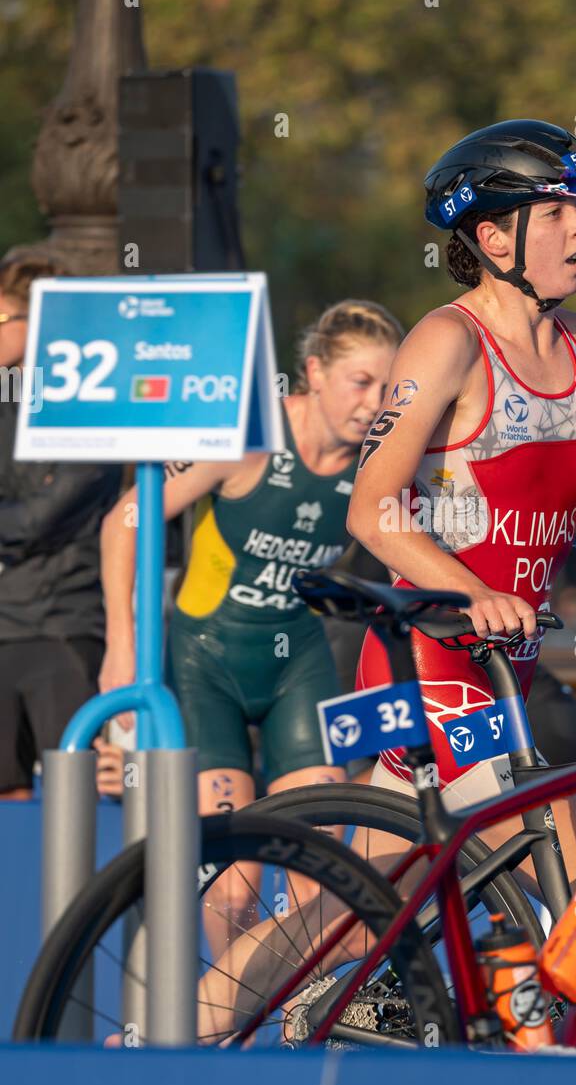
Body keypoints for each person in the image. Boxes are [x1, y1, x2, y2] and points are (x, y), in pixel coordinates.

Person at [348, 119, 576, 891]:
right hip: (428, 652)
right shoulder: (446, 342)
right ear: (494, 237)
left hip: (508, 659)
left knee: (354, 917)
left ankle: (202, 1016)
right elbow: (371, 510)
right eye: (556, 212)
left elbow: (569, 507)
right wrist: (476, 592)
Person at [99, 299, 403, 953]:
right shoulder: (247, 441)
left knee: (320, 879)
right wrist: (123, 646)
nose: (375, 403)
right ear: (315, 373)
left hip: (298, 661)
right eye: (361, 383)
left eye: (388, 388)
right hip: (206, 664)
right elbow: (124, 521)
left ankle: (306, 1023)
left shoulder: (378, 462)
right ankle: (230, 1032)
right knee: (233, 889)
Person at [0, 254, 122, 800]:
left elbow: (40, 518)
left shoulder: (86, 408)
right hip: (4, 627)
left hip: (64, 627)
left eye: (2, 321)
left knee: (74, 798)